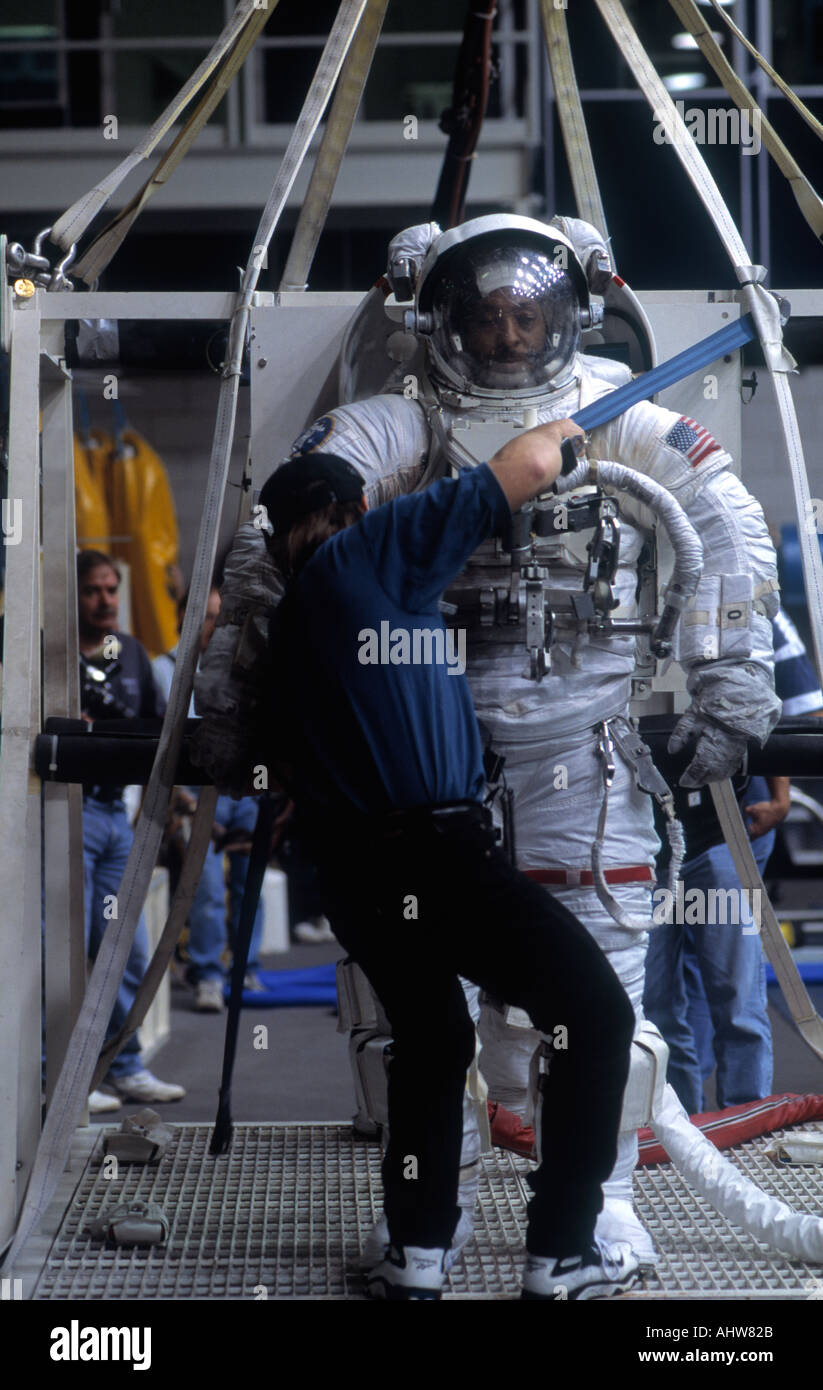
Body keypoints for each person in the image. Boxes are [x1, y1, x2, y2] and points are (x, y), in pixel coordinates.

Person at [271, 213, 781, 1267]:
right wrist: (240, 721)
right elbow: (274, 541)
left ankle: (595, 1210)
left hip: (580, 752)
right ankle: (432, 1220)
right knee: (415, 1021)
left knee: (604, 992)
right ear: (441, 316)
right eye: (485, 315)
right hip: (440, 763)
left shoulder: (619, 409)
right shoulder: (395, 422)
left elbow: (727, 526)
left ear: (567, 312)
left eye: (524, 313)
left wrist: (731, 690)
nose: (506, 336)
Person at [258, 434, 637, 1301]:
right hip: (437, 856)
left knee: (432, 1041)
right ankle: (564, 1254)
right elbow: (532, 467)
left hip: (356, 873)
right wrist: (567, 433)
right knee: (595, 1015)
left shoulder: (293, 621)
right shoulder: (370, 550)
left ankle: (416, 1252)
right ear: (353, 511)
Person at [644, 606, 823, 1112]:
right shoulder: (619, 615)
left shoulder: (739, 607)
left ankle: (745, 1118)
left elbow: (794, 704)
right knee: (658, 1001)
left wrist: (781, 795)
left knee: (734, 991)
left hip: (724, 831)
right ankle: (677, 1123)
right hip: (644, 844)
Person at [77, 549, 185, 1111]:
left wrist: (159, 806)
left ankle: (122, 1066)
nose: (105, 601)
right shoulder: (51, 655)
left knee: (124, 948)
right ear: (71, 596)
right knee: (60, 955)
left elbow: (161, 735)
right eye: (93, 590)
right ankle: (60, 1076)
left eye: (111, 590)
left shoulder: (130, 655)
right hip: (64, 819)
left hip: (118, 820)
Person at [153, 587, 266, 1011]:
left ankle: (246, 966)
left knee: (247, 880)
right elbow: (157, 744)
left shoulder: (244, 668)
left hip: (242, 789)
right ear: (183, 617)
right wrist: (180, 800)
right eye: (204, 615)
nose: (214, 624)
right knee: (206, 889)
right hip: (198, 792)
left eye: (221, 615)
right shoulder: (165, 670)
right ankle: (208, 974)